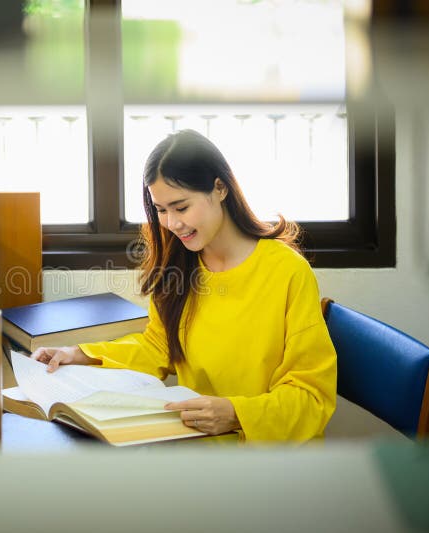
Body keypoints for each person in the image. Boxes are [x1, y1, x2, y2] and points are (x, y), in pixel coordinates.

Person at [31, 129, 336, 442]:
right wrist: (79, 354)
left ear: (220, 188)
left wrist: (236, 414)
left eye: (181, 207)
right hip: (197, 444)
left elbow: (312, 397)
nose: (172, 224)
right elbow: (157, 348)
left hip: (266, 457)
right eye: (161, 210)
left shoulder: (287, 272)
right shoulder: (179, 266)